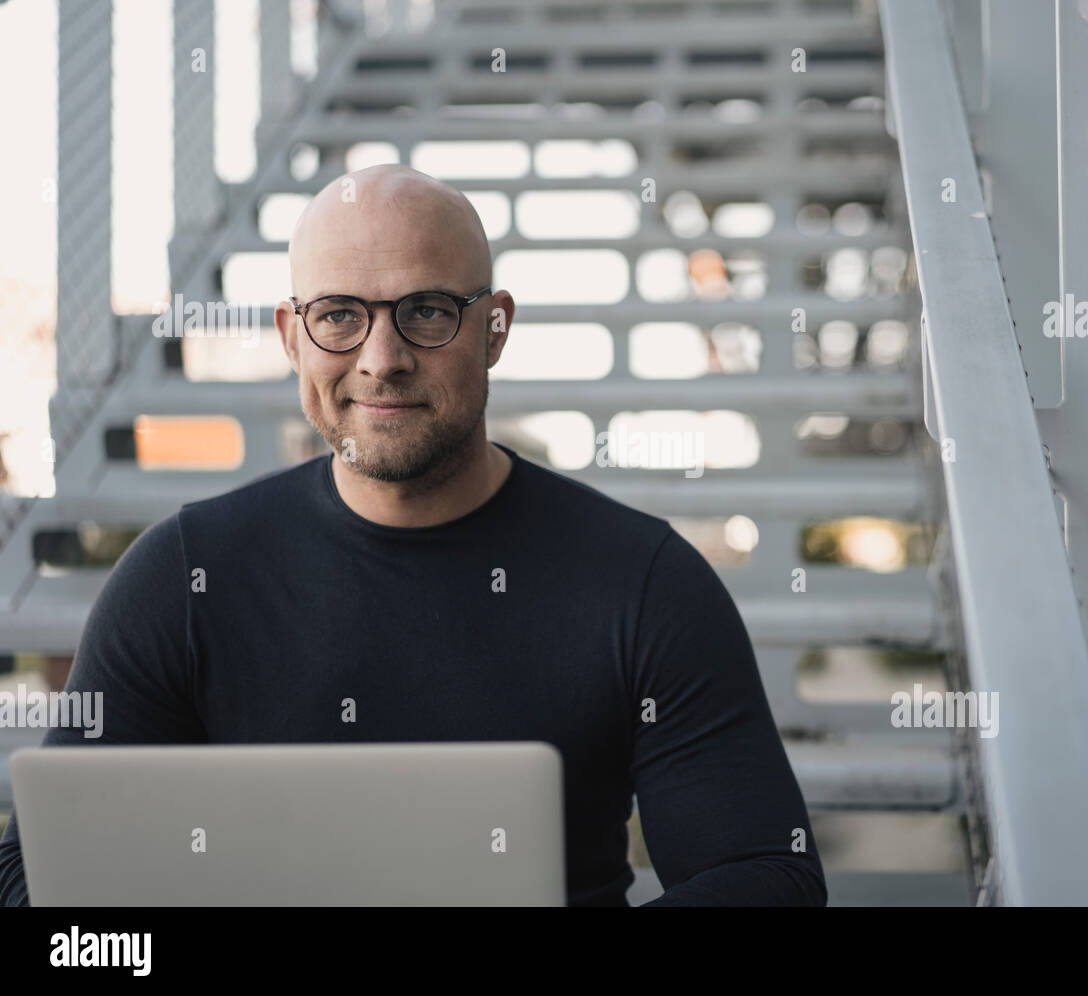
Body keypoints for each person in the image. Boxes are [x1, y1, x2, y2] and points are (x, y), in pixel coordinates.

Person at [0, 165, 826, 907]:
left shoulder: (642, 582)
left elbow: (765, 873)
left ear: (494, 327)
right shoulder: (183, 579)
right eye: (338, 316)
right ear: (293, 338)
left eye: (428, 311)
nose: (381, 357)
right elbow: (38, 869)